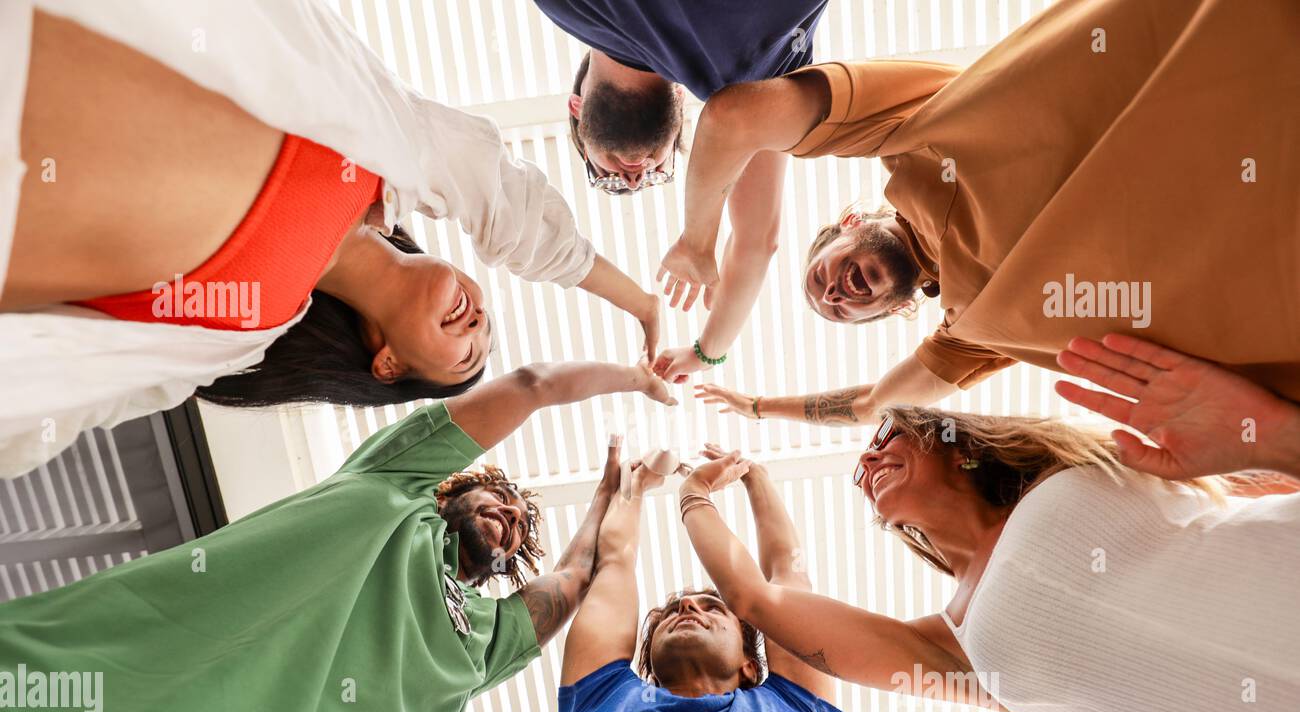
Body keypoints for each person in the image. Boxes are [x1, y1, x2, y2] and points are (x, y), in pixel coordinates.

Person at [0, 356, 674, 712]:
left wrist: (615, 493)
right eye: (501, 500)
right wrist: (634, 379)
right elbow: (532, 385)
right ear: (451, 492)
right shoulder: (395, 485)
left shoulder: (486, 637)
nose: (511, 517)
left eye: (522, 530)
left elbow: (581, 572)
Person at [0, 1, 661, 477]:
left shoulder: (236, 338)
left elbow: (51, 415)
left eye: (465, 354)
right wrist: (642, 305)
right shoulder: (385, 154)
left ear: (389, 364)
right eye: (489, 325)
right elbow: (507, 200)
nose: (478, 324)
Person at [679, 410, 1300, 712]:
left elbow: (1260, 474)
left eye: (882, 439)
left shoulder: (1083, 464)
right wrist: (695, 495)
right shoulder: (948, 645)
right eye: (859, 470)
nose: (866, 463)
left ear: (953, 439)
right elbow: (760, 597)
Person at [667, 0, 1299, 419]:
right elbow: (870, 406)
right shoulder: (973, 332)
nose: (835, 296)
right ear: (895, 309)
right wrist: (754, 408)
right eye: (841, 310)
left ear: (848, 224)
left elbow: (734, 119)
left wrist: (699, 246)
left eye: (819, 278)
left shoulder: (901, 133)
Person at [548, 445, 846, 712]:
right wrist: (634, 488)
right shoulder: (599, 699)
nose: (688, 607)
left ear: (749, 664)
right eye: (672, 611)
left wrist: (754, 475)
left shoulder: (796, 707)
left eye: (713, 609)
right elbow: (614, 562)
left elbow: (787, 572)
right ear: (648, 661)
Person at [534, 0, 829, 381]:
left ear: (576, 108)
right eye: (659, 169)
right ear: (679, 102)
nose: (634, 177)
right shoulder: (760, 77)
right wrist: (707, 353)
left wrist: (698, 237)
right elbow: (756, 240)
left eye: (603, 173)